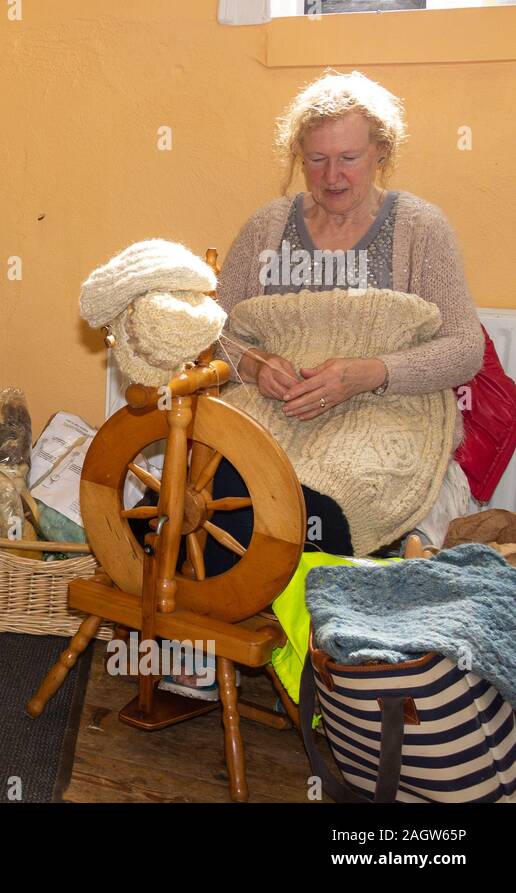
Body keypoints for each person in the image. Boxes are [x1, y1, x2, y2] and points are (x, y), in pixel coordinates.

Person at [173, 70, 485, 699]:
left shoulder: (421, 228)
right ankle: (213, 634)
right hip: (275, 402)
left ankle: (333, 658)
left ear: (381, 153)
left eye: (348, 157)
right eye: (316, 159)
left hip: (384, 408)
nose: (333, 176)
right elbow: (218, 333)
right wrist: (256, 364)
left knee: (328, 493)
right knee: (221, 474)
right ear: (300, 157)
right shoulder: (267, 228)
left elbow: (465, 349)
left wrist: (371, 372)